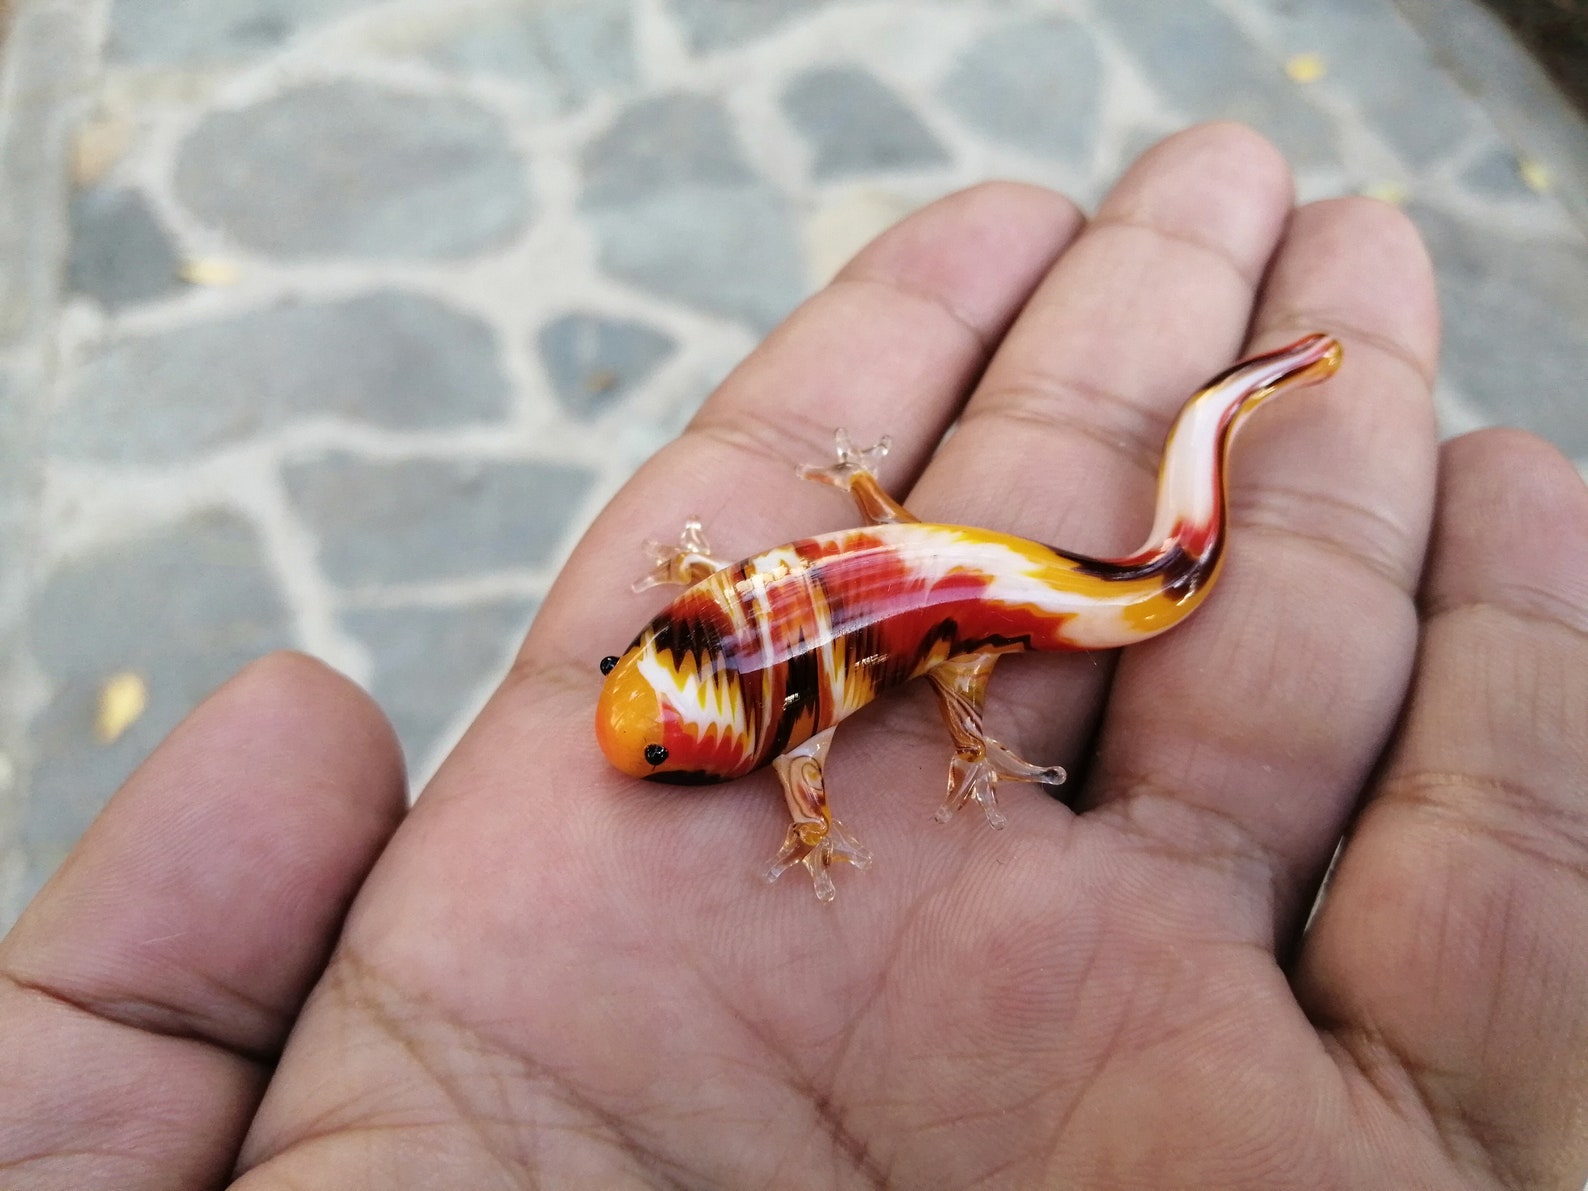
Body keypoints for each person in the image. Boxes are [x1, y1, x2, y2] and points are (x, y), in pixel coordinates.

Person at [2, 123, 1585, 1190]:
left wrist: (885, 751)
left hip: (941, 591)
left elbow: (809, 729)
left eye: (672, 725)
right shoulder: (759, 654)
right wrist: (828, 583)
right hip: (900, 570)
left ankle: (1238, 405)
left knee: (1156, 584)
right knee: (1100, 587)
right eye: (675, 736)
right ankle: (1234, 404)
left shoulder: (801, 701)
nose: (643, 741)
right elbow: (793, 662)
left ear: (704, 656)